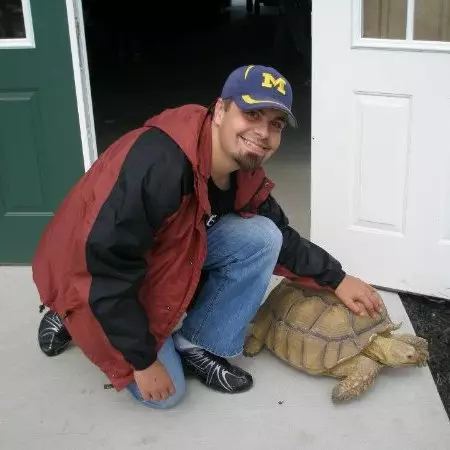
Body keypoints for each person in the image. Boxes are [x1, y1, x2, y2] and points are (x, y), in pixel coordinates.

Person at [33, 64, 383, 409]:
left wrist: (337, 278)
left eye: (274, 125)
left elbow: (282, 237)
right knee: (167, 398)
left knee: (264, 236)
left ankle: (198, 343)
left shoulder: (242, 171)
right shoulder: (160, 165)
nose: (263, 132)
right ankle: (68, 313)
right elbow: (103, 265)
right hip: (86, 269)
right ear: (220, 110)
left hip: (156, 255)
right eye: (252, 114)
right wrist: (142, 361)